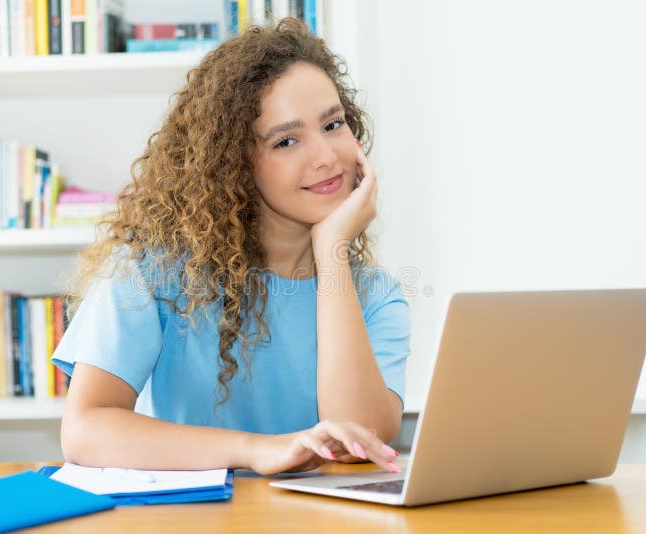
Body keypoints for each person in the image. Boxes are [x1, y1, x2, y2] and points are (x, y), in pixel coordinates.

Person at [52, 18, 410, 476]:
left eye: (333, 124)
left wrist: (333, 251)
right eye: (286, 140)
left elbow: (360, 441)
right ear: (235, 164)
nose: (325, 157)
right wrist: (256, 450)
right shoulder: (151, 273)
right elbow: (85, 429)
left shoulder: (375, 294)